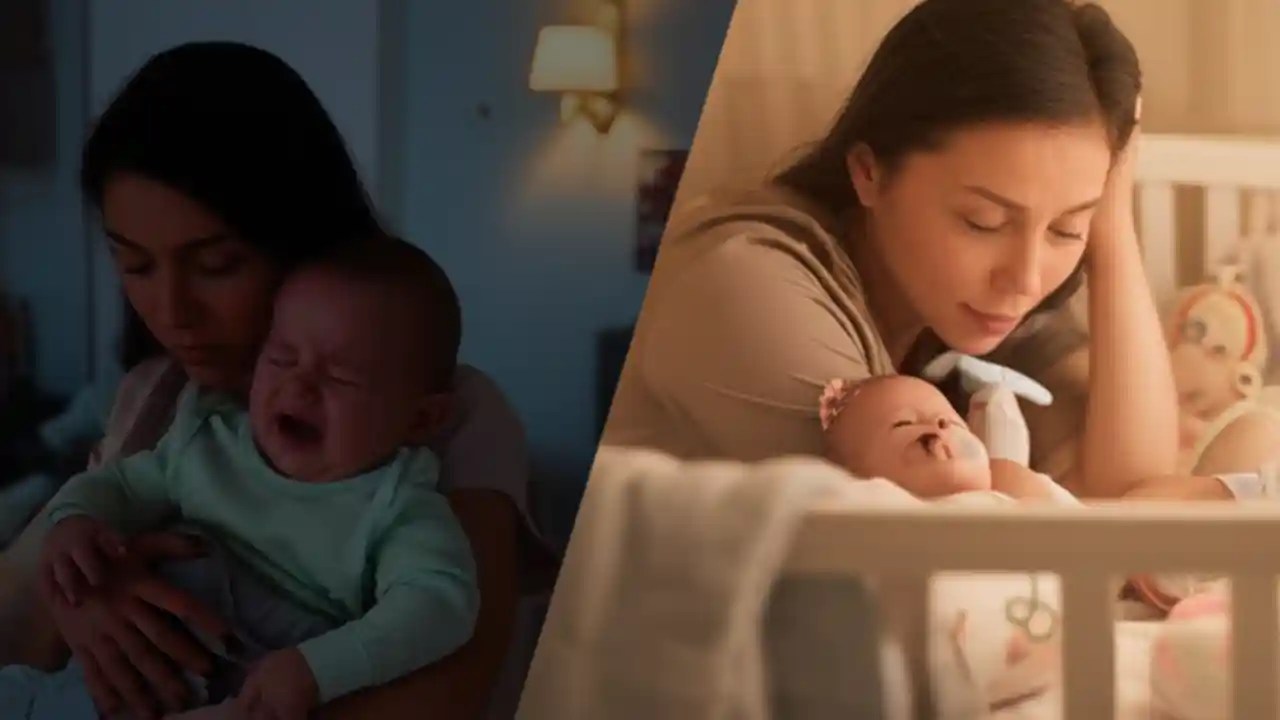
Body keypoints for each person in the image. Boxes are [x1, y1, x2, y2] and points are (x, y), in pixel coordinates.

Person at [0, 41, 547, 720]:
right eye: (136, 266)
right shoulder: (158, 395)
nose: (173, 314)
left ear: (297, 236)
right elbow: (46, 574)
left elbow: (448, 686)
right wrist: (81, 595)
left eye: (217, 264)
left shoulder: (454, 418)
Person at [602, 0, 1207, 500]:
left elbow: (1137, 490)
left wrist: (1112, 214)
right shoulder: (746, 288)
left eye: (1064, 230)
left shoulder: (971, 307)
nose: (1024, 280)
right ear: (869, 172)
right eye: (983, 220)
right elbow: (967, 544)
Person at [2, 238, 481, 719]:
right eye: (280, 358)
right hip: (104, 670)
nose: (299, 384)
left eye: (341, 377)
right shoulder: (208, 440)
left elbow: (439, 604)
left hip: (242, 683)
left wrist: (315, 669)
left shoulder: (394, 504)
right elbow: (121, 487)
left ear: (421, 420)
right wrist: (75, 519)